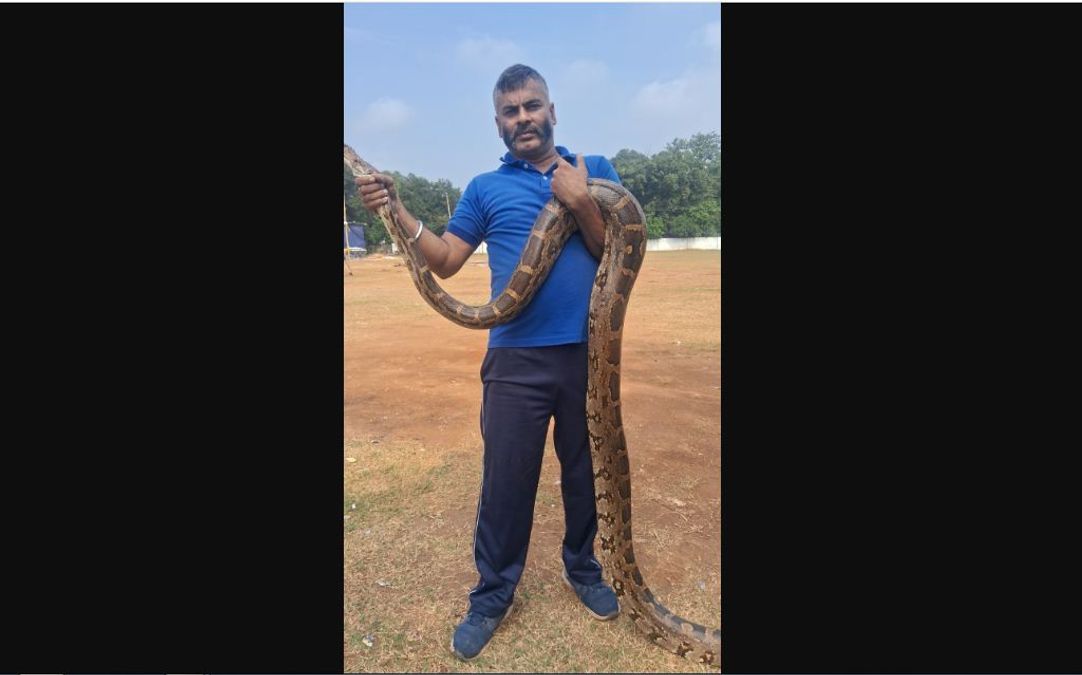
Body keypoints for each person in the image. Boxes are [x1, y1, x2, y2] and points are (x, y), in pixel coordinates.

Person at [357, 64, 622, 661]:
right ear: (498, 123)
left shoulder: (595, 172)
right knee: (506, 480)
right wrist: (396, 208)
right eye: (510, 111)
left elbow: (614, 250)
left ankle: (584, 571)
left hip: (588, 354)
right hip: (514, 359)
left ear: (552, 111)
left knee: (586, 472)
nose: (523, 118)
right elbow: (446, 259)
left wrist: (580, 202)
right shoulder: (483, 187)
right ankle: (493, 593)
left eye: (532, 106)